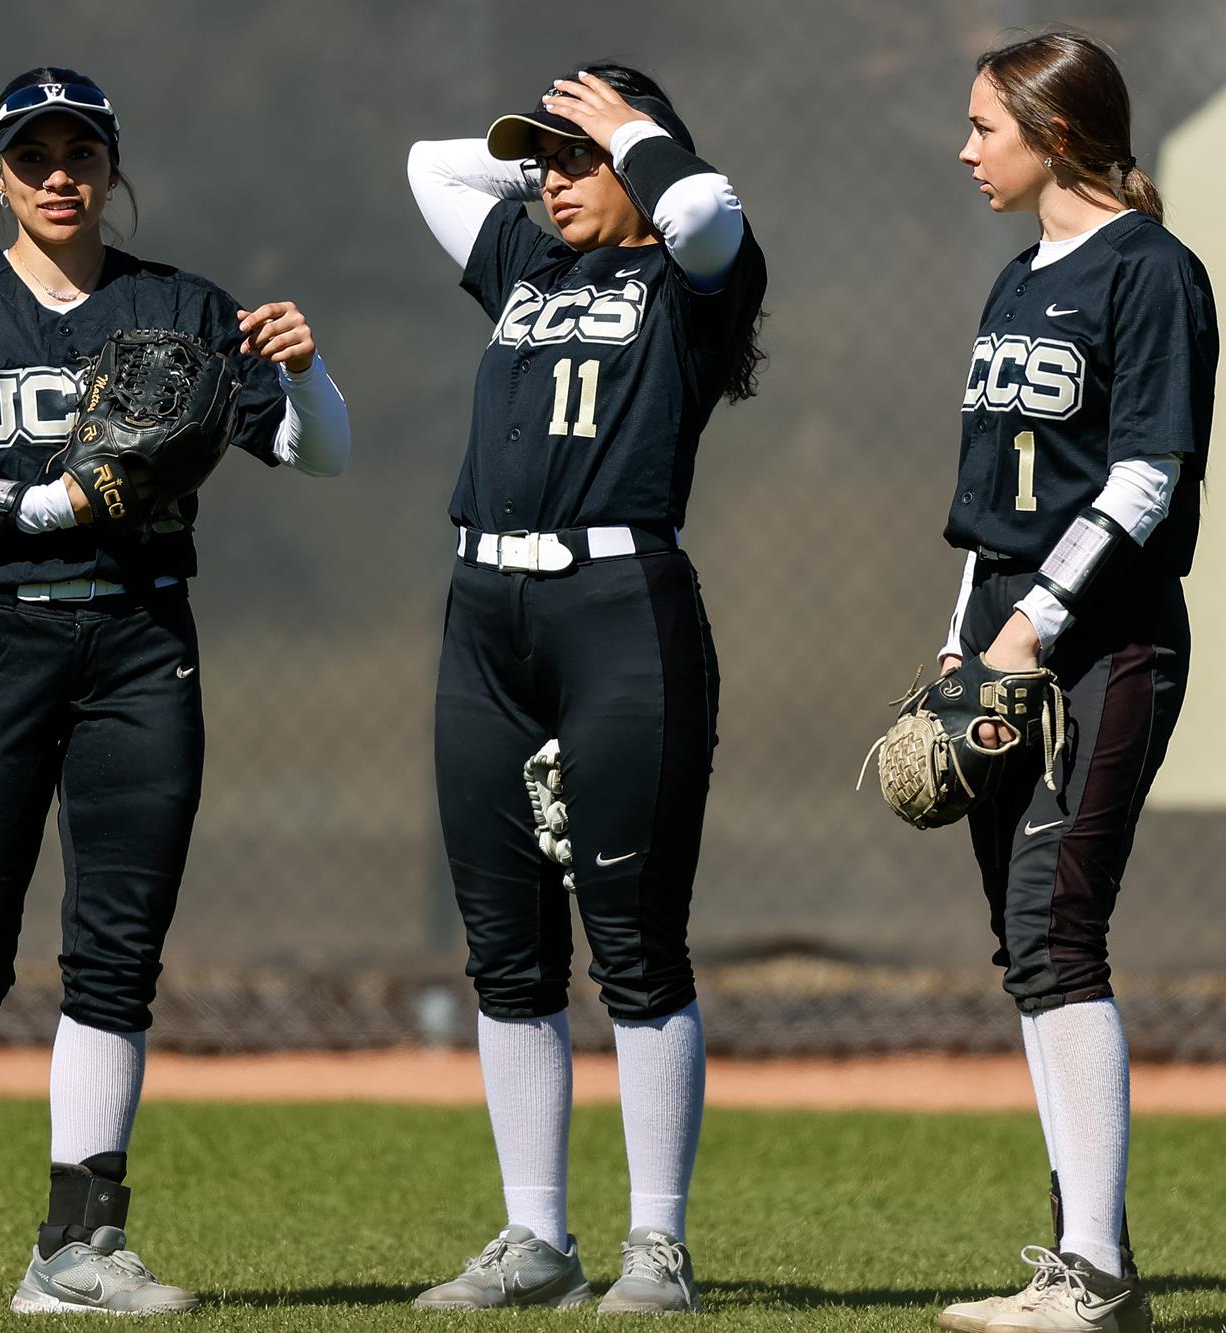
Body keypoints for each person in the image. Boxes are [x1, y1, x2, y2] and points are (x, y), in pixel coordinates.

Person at [0, 67, 350, 1314]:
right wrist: (38, 505)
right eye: (33, 154)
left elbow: (316, 455)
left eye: (80, 150)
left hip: (139, 641)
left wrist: (306, 373)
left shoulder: (185, 305)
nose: (59, 173)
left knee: (114, 957)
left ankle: (73, 1248)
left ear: (113, 166)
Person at [404, 64, 765, 1315]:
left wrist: (638, 137)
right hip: (483, 620)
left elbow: (709, 213)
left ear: (642, 158)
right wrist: (552, 146)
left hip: (619, 611)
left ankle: (654, 1247)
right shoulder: (526, 259)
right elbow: (425, 166)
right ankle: (534, 1241)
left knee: (632, 944)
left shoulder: (687, 275)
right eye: (541, 162)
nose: (552, 179)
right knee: (506, 950)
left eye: (576, 159)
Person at [925, 31, 1216, 1333]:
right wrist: (962, 632)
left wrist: (1033, 622)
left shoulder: (1151, 272)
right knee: (1026, 943)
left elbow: (1147, 476)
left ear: (1053, 129)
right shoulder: (1012, 280)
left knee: (1058, 926)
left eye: (987, 125)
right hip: (1001, 635)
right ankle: (1082, 1258)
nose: (968, 148)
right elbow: (994, 506)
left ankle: (1092, 1273)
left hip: (1101, 640)